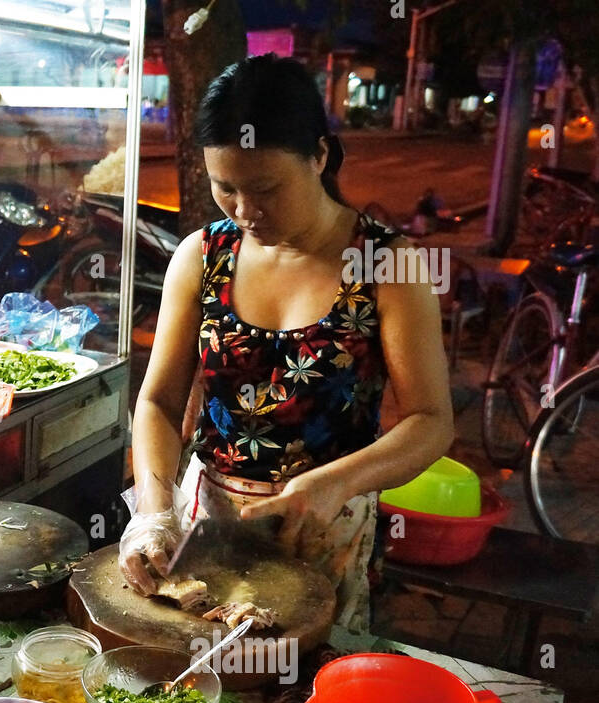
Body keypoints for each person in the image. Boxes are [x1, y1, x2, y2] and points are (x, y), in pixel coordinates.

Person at [119, 54, 454, 633]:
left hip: (324, 527)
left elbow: (430, 421)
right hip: (206, 520)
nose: (246, 211)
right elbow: (158, 403)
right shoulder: (202, 256)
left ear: (319, 156)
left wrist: (333, 483)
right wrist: (154, 512)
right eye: (225, 189)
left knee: (299, 693)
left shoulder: (385, 262)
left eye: (267, 188)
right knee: (197, 687)